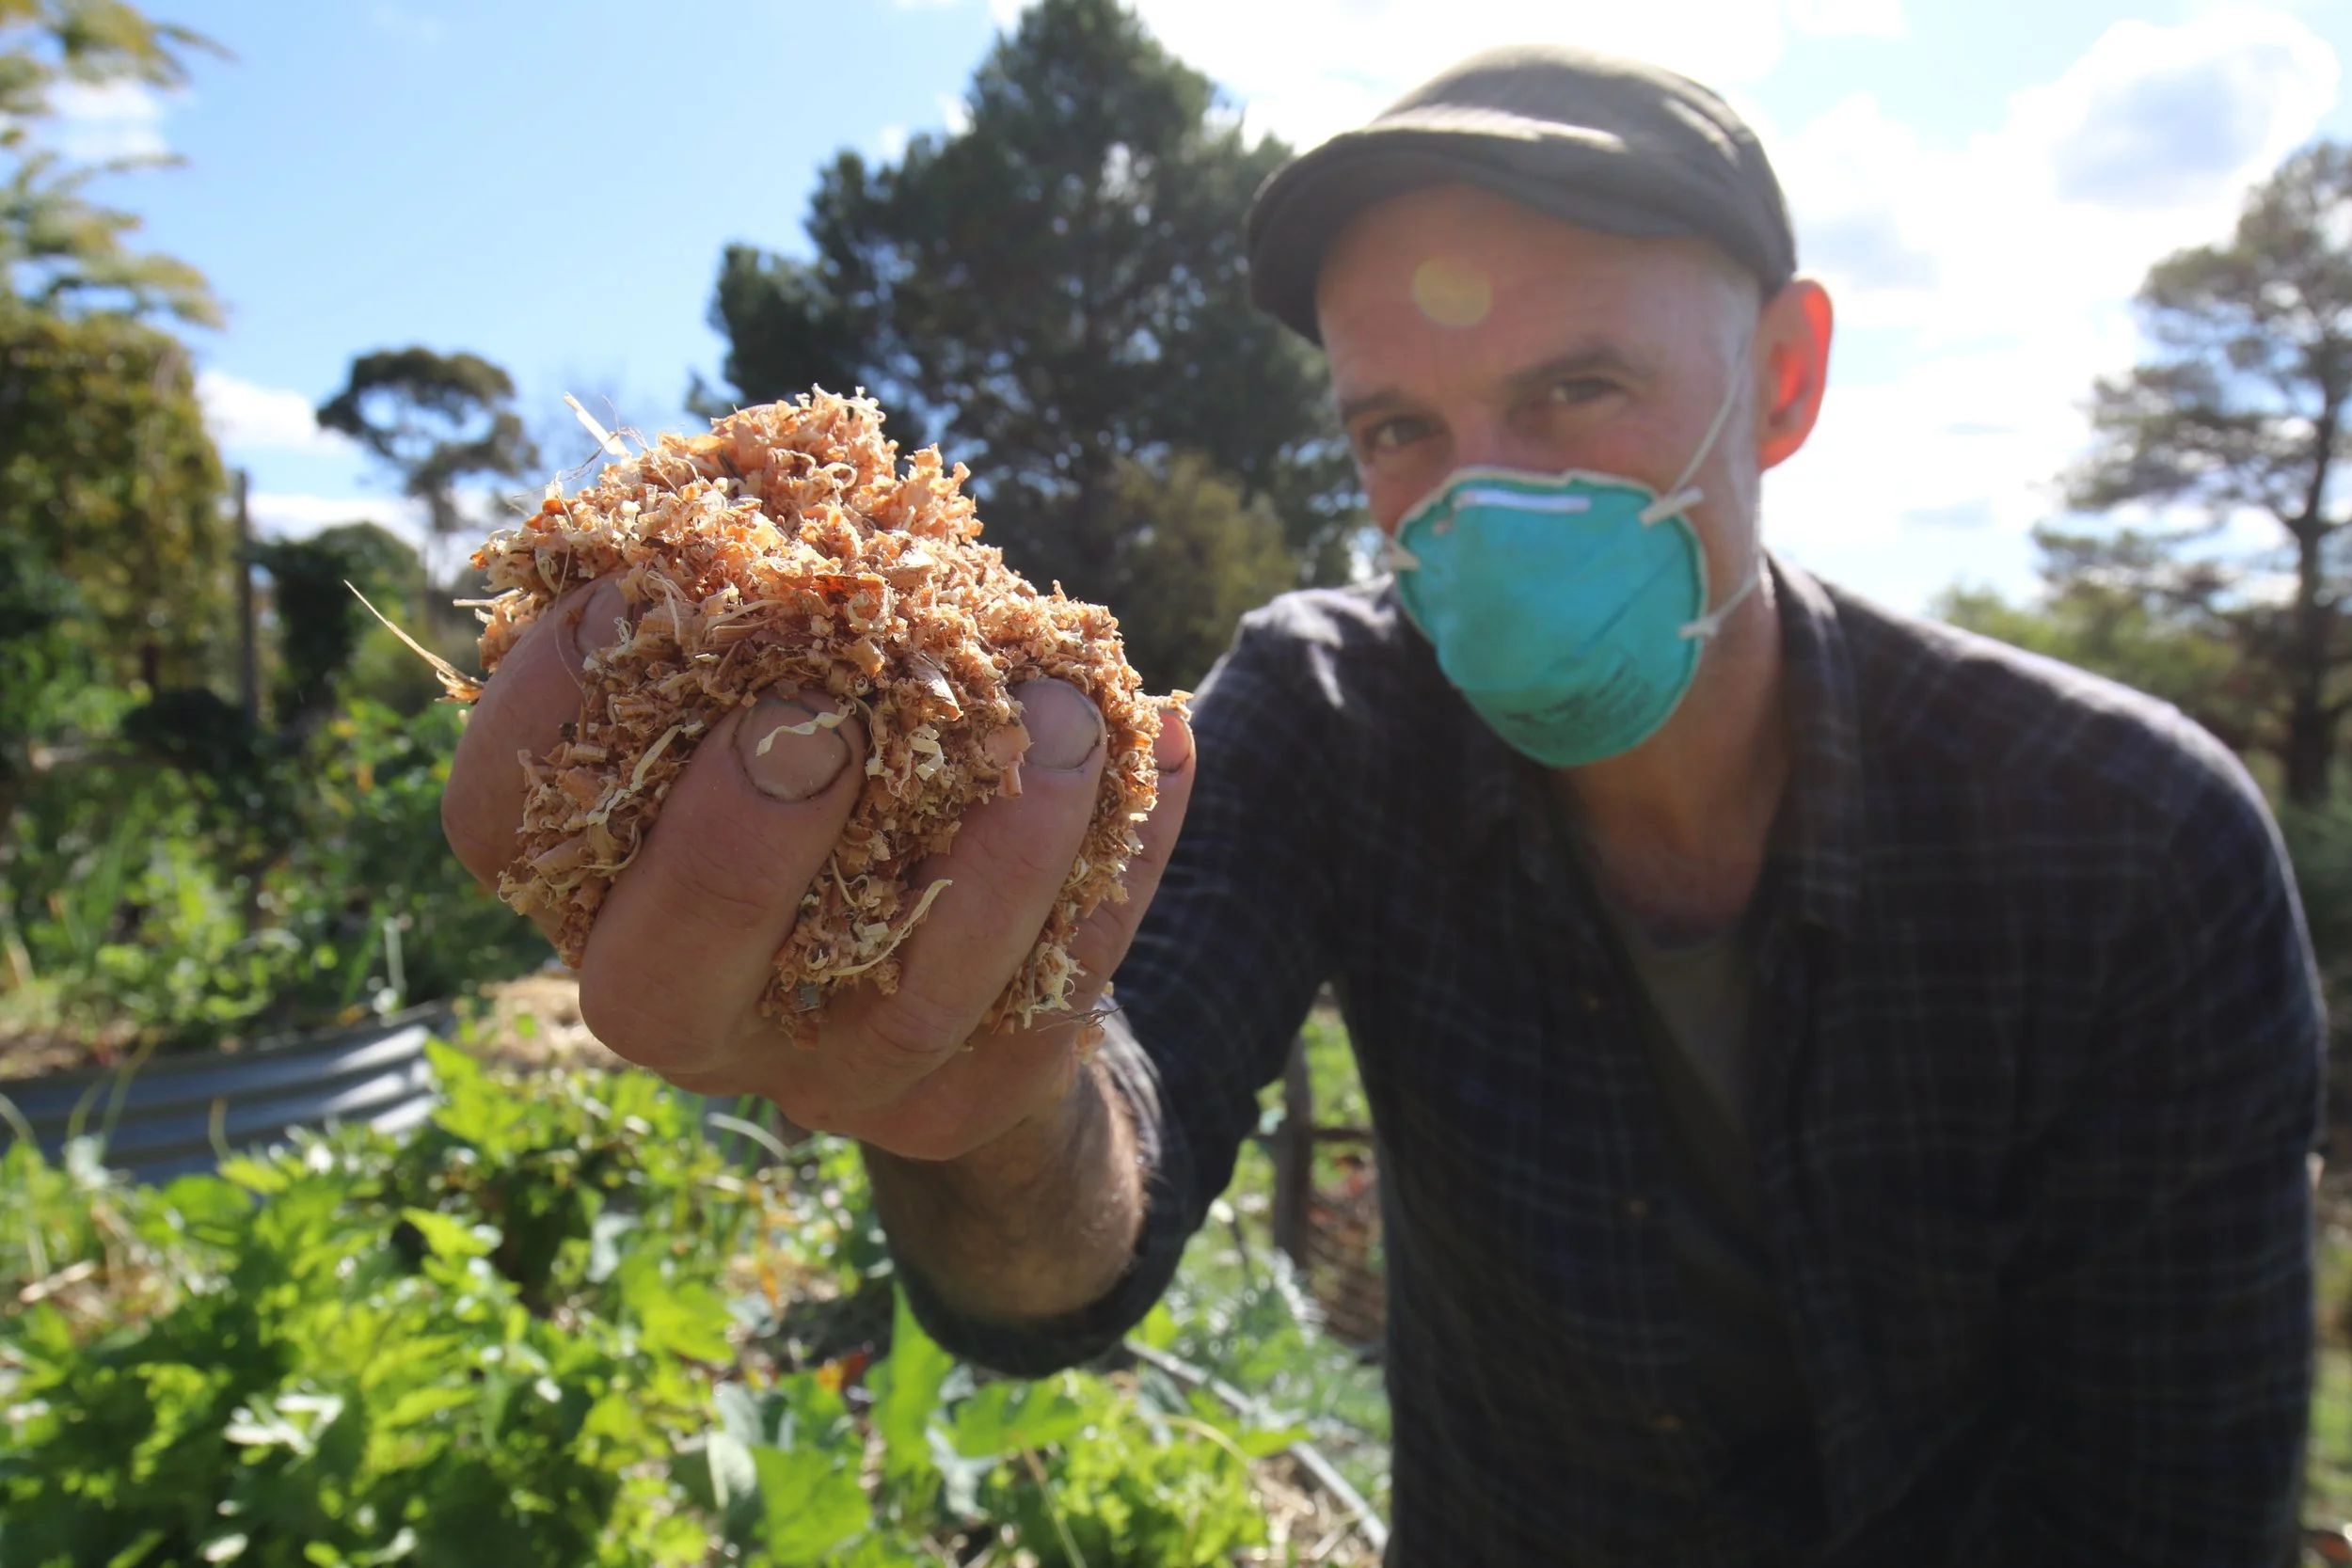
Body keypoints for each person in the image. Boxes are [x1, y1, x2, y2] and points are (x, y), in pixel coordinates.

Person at [441, 45, 2327, 1567]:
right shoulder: (1327, 710)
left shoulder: (2125, 834)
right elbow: (1093, 1193)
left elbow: (2168, 1495)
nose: (1471, 497)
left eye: (1573, 386)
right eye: (1394, 428)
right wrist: (982, 1080)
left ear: (1778, 375)